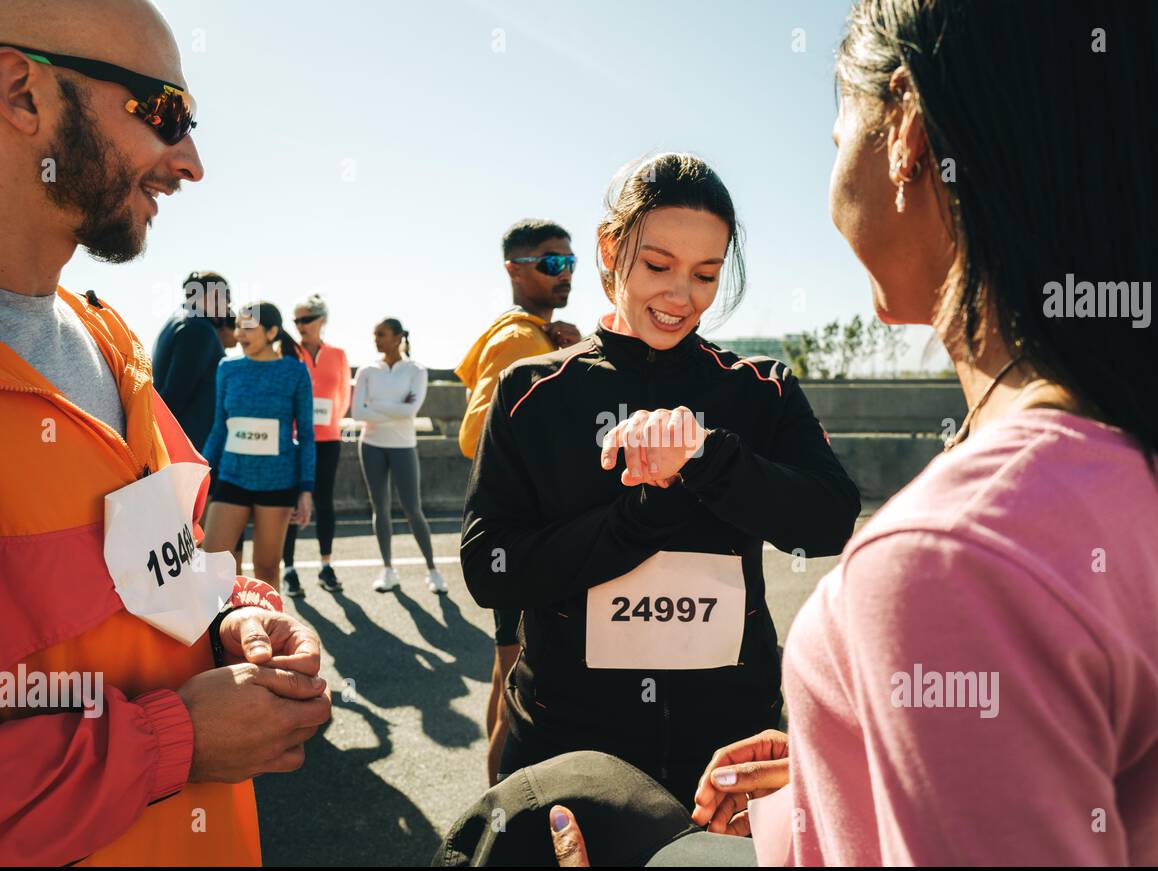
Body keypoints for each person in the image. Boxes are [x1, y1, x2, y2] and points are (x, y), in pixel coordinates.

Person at [491, 0, 1158, 867]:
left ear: (906, 130)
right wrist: (854, 769)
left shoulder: (953, 557)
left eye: (839, 118)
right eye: (658, 265)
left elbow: (828, 520)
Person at [0, 0, 329, 867]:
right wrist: (172, 740)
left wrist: (241, 621)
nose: (189, 161)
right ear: (20, 92)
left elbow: (181, 573)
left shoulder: (110, 344)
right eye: (163, 112)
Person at [460, 152, 862, 809]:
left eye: (706, 274)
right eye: (657, 266)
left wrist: (707, 459)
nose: (681, 296)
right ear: (610, 249)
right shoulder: (532, 393)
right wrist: (639, 516)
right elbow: (490, 569)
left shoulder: (759, 390)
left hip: (729, 755)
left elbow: (828, 521)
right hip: (572, 754)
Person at [455, 217, 581, 784]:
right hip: (524, 541)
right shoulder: (516, 339)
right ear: (516, 268)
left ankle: (496, 811)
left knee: (506, 678)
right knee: (518, 690)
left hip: (525, 539)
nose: (566, 273)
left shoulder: (537, 335)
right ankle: (499, 822)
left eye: (570, 262)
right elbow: (473, 434)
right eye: (552, 263)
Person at [201, 302, 316, 594]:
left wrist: (306, 489)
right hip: (232, 477)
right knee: (214, 563)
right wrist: (199, 476)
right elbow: (218, 428)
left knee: (266, 567)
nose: (239, 333)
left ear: (272, 332)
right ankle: (224, 631)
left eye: (248, 326)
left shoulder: (295, 372)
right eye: (238, 326)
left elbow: (305, 433)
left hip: (277, 483)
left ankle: (269, 632)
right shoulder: (227, 368)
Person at [354, 318, 445, 593]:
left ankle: (433, 571)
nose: (376, 339)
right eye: (374, 334)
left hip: (403, 446)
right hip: (371, 445)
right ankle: (388, 570)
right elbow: (357, 413)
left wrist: (377, 406)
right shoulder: (367, 371)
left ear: (397, 337)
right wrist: (392, 408)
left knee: (412, 509)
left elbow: (410, 412)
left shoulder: (416, 370)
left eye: (381, 334)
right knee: (379, 507)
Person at [281, 293, 352, 598]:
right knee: (288, 503)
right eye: (296, 320)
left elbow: (344, 398)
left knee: (324, 502)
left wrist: (330, 421)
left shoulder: (338, 354)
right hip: (295, 439)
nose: (300, 325)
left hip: (328, 439)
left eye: (306, 319)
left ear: (322, 320)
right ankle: (289, 569)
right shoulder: (287, 353)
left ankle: (326, 565)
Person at [151, 270, 235, 449]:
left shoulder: (178, 320)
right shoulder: (198, 329)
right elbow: (176, 393)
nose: (228, 309)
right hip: (189, 445)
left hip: (177, 441)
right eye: (227, 300)